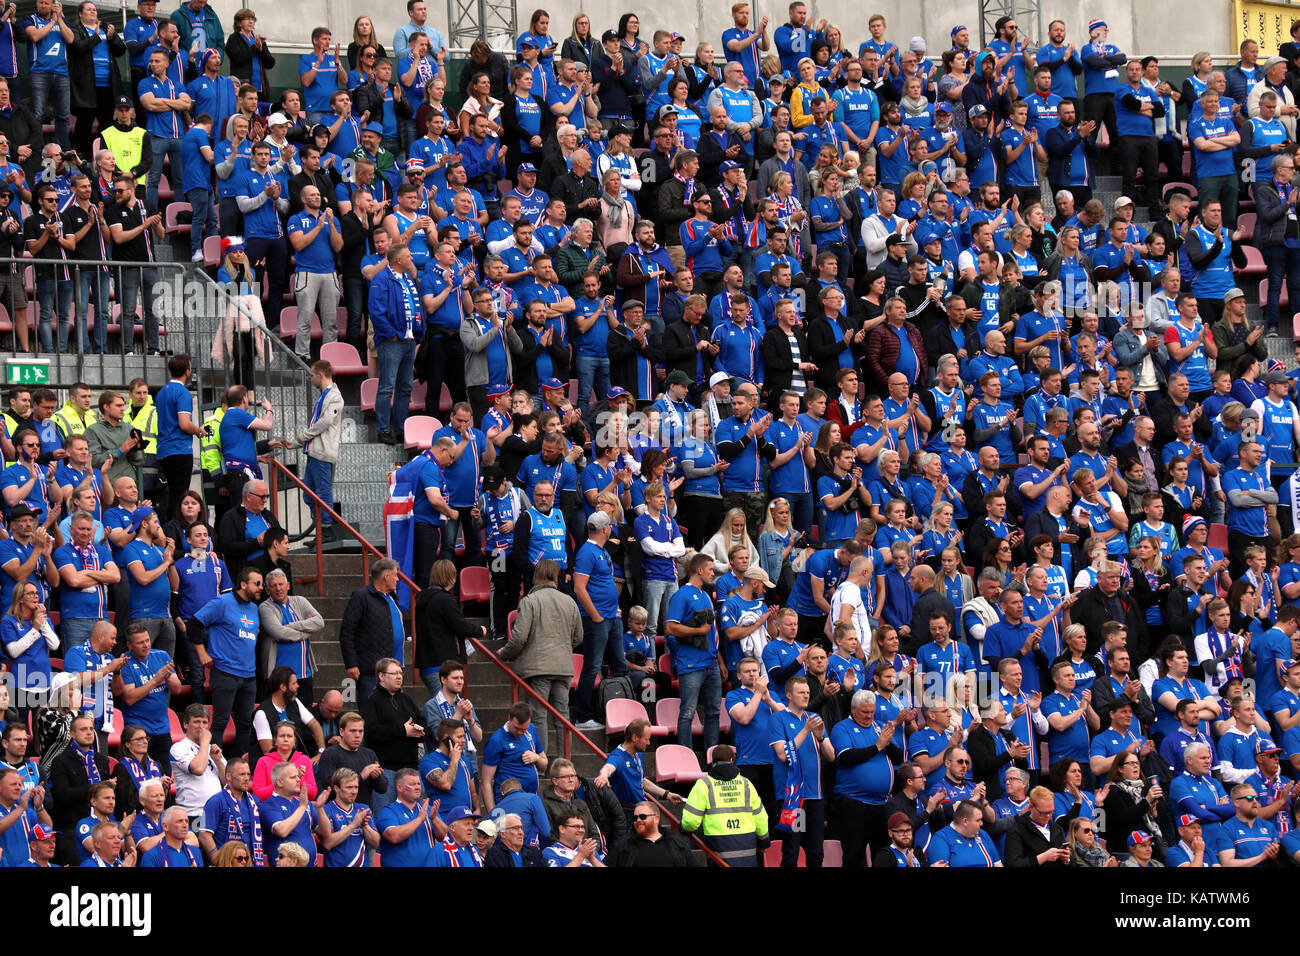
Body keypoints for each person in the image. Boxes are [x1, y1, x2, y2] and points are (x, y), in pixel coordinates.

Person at [499, 559, 582, 750]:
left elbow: (519, 637)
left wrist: (505, 653)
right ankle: (564, 763)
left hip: (537, 667)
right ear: (555, 577)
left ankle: (541, 764)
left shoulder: (529, 601)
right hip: (563, 666)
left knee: (538, 715)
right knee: (562, 716)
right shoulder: (569, 601)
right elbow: (578, 637)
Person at [359, 656, 423, 814]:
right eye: (394, 673)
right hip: (385, 769)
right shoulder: (371, 700)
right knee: (383, 816)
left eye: (400, 673)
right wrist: (403, 731)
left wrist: (419, 729)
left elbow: (422, 721)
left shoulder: (406, 699)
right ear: (381, 676)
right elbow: (371, 731)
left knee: (415, 815)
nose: (399, 676)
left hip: (410, 768)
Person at [339, 560, 406, 701]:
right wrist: (351, 664)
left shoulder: (392, 597)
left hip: (394, 668)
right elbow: (347, 632)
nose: (398, 579)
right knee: (371, 711)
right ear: (386, 576)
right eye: (395, 575)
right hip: (371, 670)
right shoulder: (361, 597)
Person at [49, 715, 110, 865]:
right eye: (83, 729)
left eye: (91, 729)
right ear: (72, 734)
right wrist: (96, 788)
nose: (89, 733)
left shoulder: (101, 759)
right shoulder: (60, 761)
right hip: (72, 826)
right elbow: (63, 795)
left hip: (101, 824)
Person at [481, 701, 548, 811]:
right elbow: (486, 782)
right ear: (509, 718)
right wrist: (492, 814)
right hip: (509, 801)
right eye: (517, 728)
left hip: (533, 798)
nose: (520, 732)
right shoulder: (496, 740)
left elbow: (544, 765)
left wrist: (536, 758)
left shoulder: (531, 730)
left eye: (524, 729)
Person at [315, 712, 388, 811]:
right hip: (338, 815)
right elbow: (328, 786)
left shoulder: (369, 754)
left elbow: (383, 789)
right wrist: (361, 776)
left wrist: (377, 777)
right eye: (352, 731)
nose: (357, 735)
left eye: (360, 731)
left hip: (364, 814)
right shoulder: (330, 754)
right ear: (341, 731)